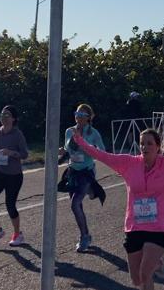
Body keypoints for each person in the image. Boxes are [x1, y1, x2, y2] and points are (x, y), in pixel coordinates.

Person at [74, 125, 164, 290]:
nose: (144, 147)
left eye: (149, 143)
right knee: (137, 280)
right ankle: (156, 264)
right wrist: (79, 140)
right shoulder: (128, 163)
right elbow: (102, 155)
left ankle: (154, 263)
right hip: (135, 225)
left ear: (158, 147)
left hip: (158, 226)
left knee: (145, 273)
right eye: (142, 143)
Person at [0, 105, 30, 247]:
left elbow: (25, 154)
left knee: (10, 205)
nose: (3, 116)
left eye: (7, 114)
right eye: (2, 114)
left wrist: (11, 153)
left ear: (14, 119)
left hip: (14, 175)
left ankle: (17, 234)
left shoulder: (17, 134)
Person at [61, 103, 106, 252]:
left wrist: (89, 148)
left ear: (88, 118)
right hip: (73, 172)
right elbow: (68, 148)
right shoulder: (69, 131)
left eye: (81, 115)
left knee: (74, 204)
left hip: (86, 171)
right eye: (76, 114)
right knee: (77, 207)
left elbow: (102, 151)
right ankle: (85, 234)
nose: (78, 117)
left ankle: (84, 237)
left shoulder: (93, 133)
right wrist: (72, 141)